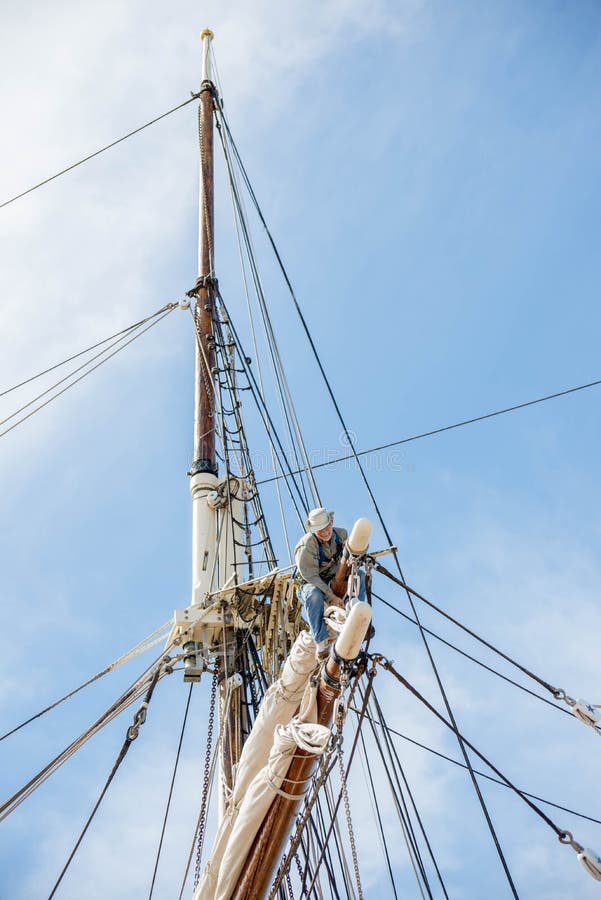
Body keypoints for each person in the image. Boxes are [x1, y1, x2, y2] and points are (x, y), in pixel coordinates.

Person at [294, 507, 365, 659]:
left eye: (326, 527)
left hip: (333, 578)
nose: (325, 532)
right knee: (314, 595)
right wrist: (331, 597)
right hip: (309, 583)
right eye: (320, 530)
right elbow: (311, 577)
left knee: (360, 576)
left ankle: (356, 611)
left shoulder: (342, 535)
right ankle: (321, 641)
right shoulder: (306, 546)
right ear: (314, 530)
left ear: (331, 522)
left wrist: (353, 553)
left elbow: (352, 563)